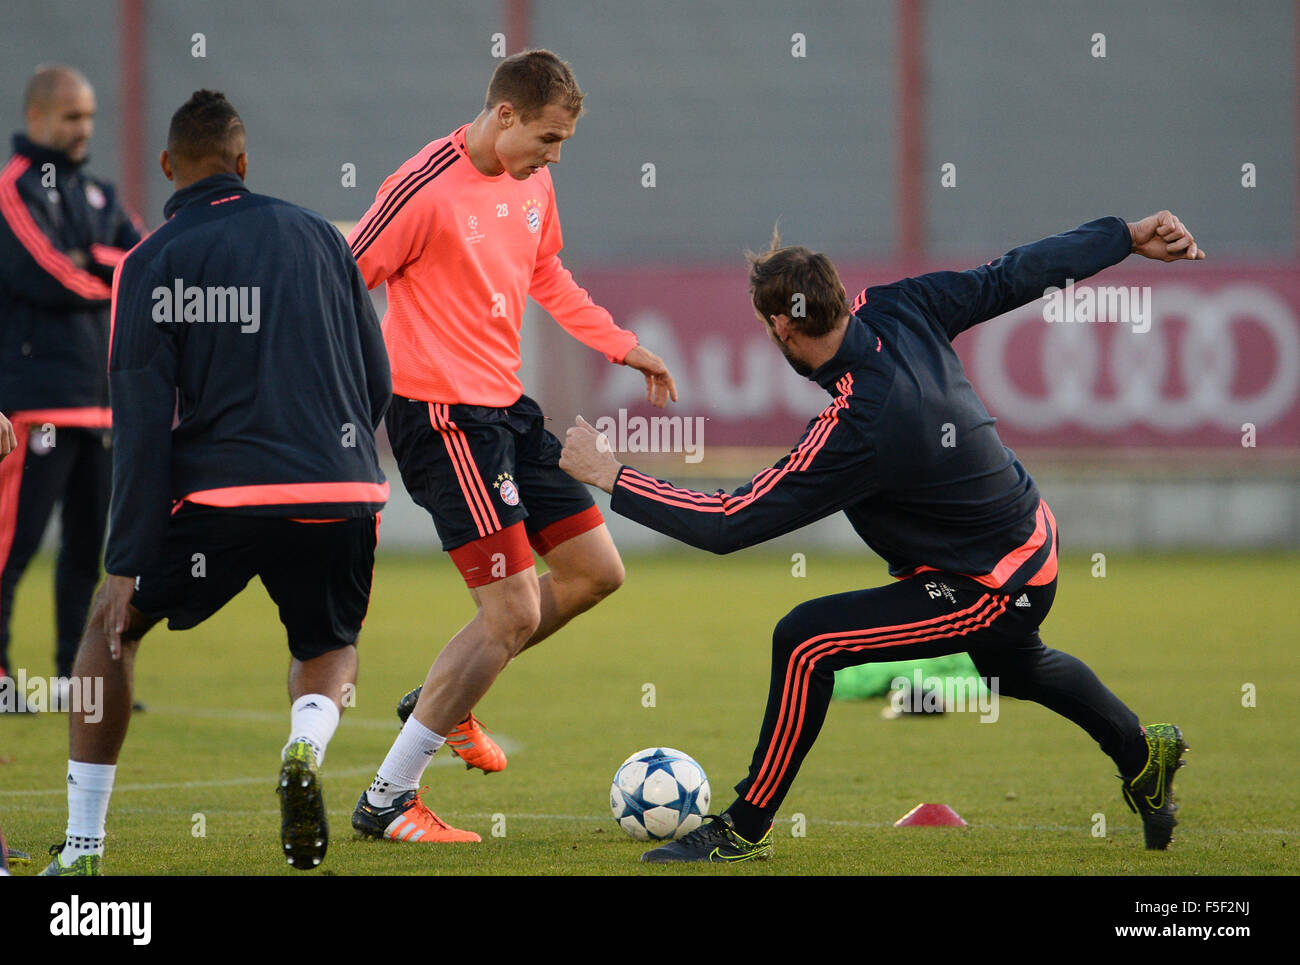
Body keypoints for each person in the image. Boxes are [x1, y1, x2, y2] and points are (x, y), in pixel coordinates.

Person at [561, 211, 1202, 862]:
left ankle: (744, 826)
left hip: (991, 580)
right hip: (1026, 540)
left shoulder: (858, 425)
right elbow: (1012, 275)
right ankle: (1141, 754)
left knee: (807, 639)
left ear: (782, 327)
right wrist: (1123, 234)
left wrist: (611, 475)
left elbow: (730, 521)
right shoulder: (899, 306)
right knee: (1012, 661)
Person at [39, 90, 391, 875]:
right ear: (243, 163)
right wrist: (345, 465)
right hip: (340, 490)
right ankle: (303, 744)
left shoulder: (152, 259)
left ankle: (86, 845)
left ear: (168, 167)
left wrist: (124, 563)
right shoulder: (321, 238)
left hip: (221, 498)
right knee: (330, 644)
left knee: (110, 632)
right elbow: (378, 377)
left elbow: (139, 416)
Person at [347, 49, 677, 844]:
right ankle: (388, 798)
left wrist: (619, 343)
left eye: (561, 142)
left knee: (598, 571)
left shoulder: (532, 181)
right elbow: (343, 278)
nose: (553, 157)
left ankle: (443, 695)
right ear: (504, 117)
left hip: (506, 408)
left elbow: (547, 271)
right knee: (512, 608)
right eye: (548, 138)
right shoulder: (421, 188)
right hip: (443, 418)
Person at [0, 66, 142, 709]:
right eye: (71, 117)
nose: (84, 128)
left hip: (99, 401)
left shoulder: (97, 194)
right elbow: (49, 275)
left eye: (88, 116)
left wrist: (99, 262)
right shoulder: (12, 191)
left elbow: (146, 260)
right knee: (12, 544)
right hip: (36, 402)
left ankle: (74, 679)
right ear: (36, 119)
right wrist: (99, 269)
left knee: (90, 552)